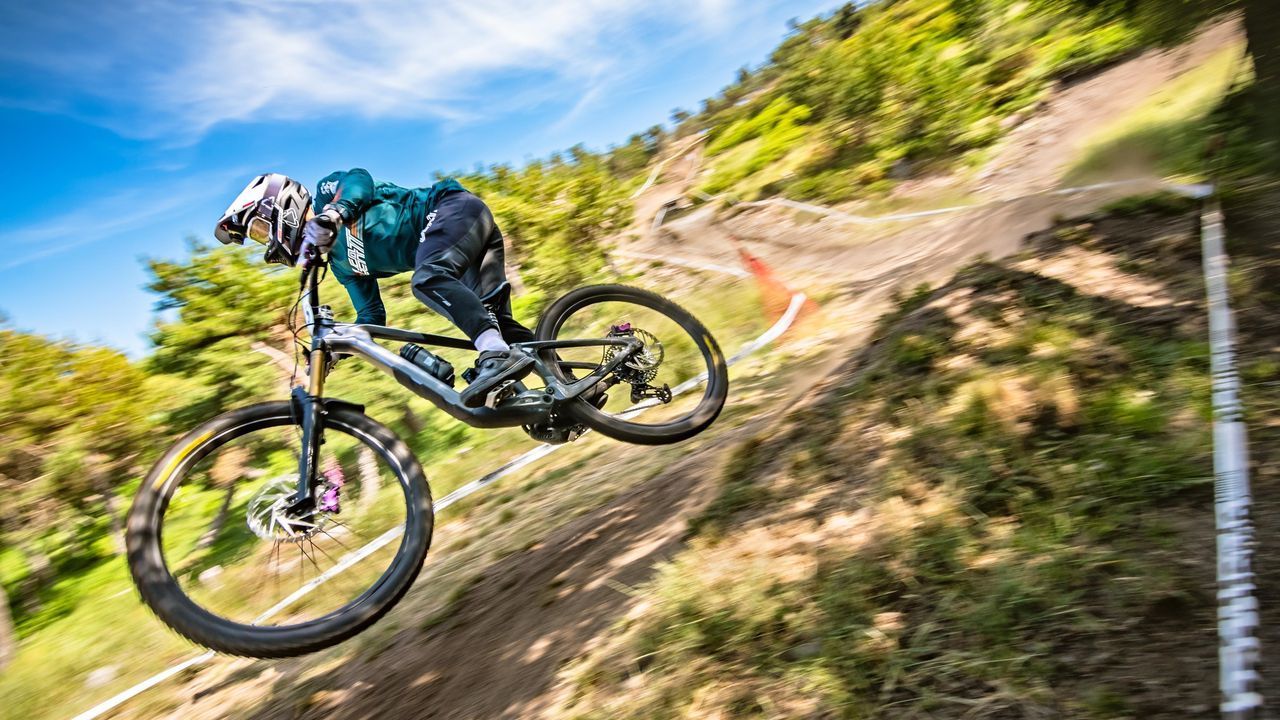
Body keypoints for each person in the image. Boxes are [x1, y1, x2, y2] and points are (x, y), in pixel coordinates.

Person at [214, 170, 532, 407]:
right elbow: (371, 316)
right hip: (457, 247)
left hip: (453, 209)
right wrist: (334, 353)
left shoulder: (329, 194)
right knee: (499, 327)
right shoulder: (340, 267)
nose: (266, 242)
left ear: (282, 206)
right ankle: (564, 390)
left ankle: (496, 355)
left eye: (260, 229)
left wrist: (334, 215)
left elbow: (359, 180)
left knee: (427, 280)